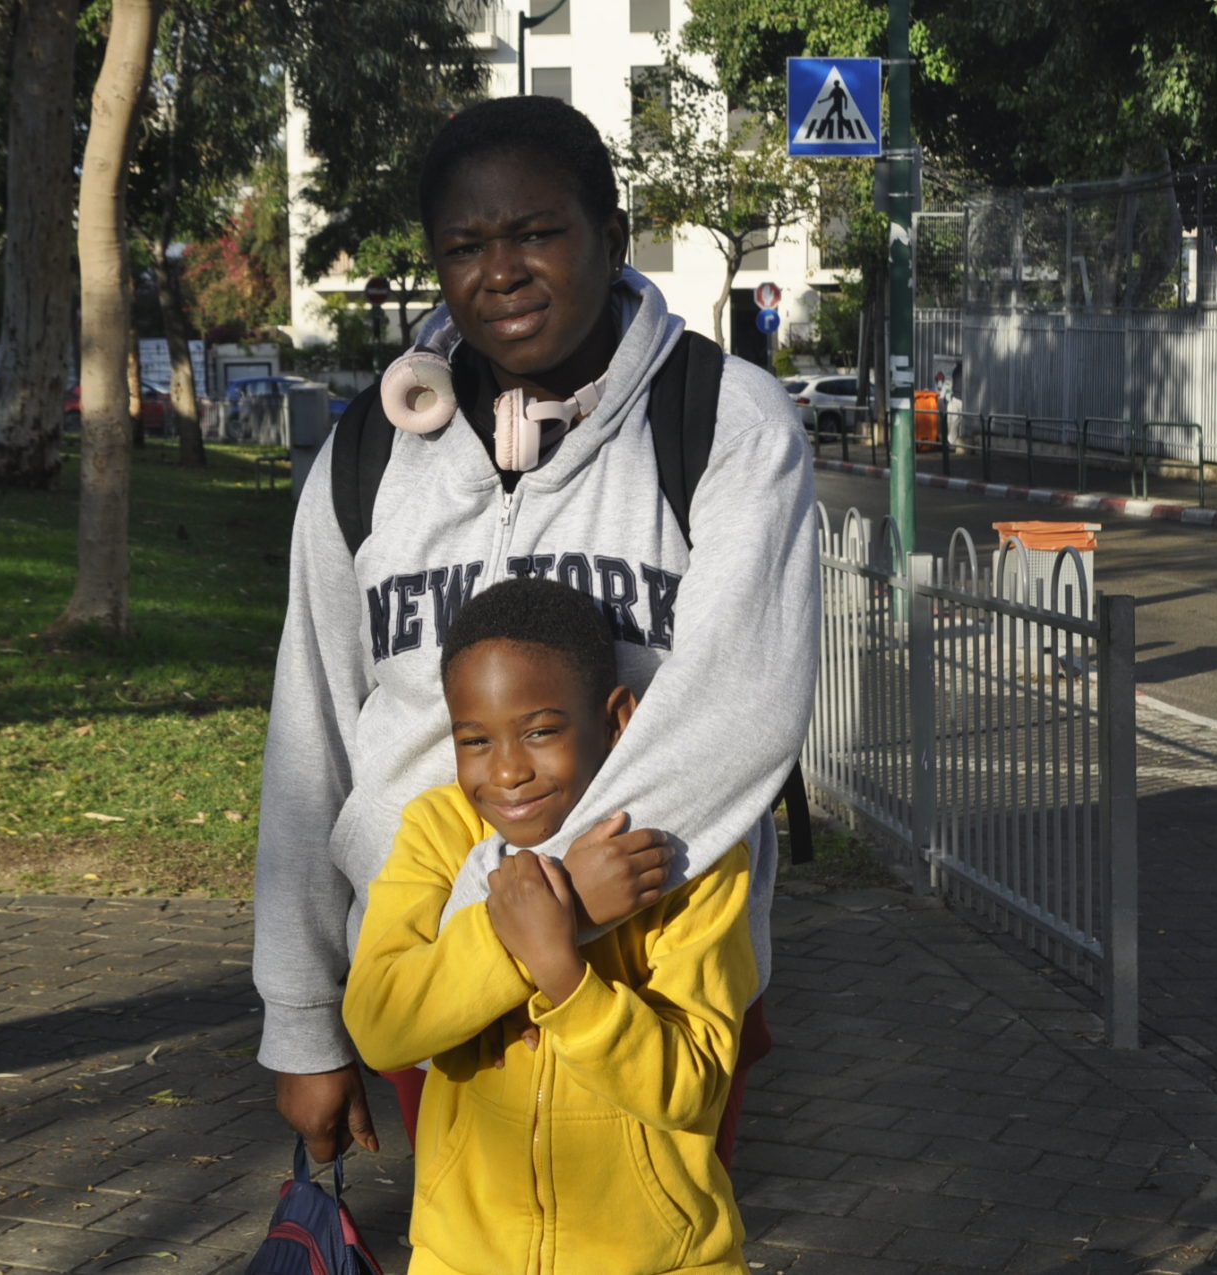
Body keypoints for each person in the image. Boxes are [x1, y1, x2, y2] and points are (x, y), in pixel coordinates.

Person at [254, 93, 818, 1167]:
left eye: (536, 233)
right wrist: (302, 1018)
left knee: (653, 1237)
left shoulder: (724, 421)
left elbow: (737, 716)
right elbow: (310, 733)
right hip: (429, 978)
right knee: (466, 1239)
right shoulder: (371, 451)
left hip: (649, 973)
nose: (500, 272)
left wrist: (542, 901)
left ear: (611, 236)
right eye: (465, 246)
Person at [343, 577, 754, 1275]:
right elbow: (379, 1024)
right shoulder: (438, 831)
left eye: (539, 731)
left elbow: (690, 1088)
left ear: (616, 719)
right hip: (460, 1259)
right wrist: (535, 931)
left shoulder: (688, 855)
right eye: (476, 739)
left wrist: (564, 975)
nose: (508, 771)